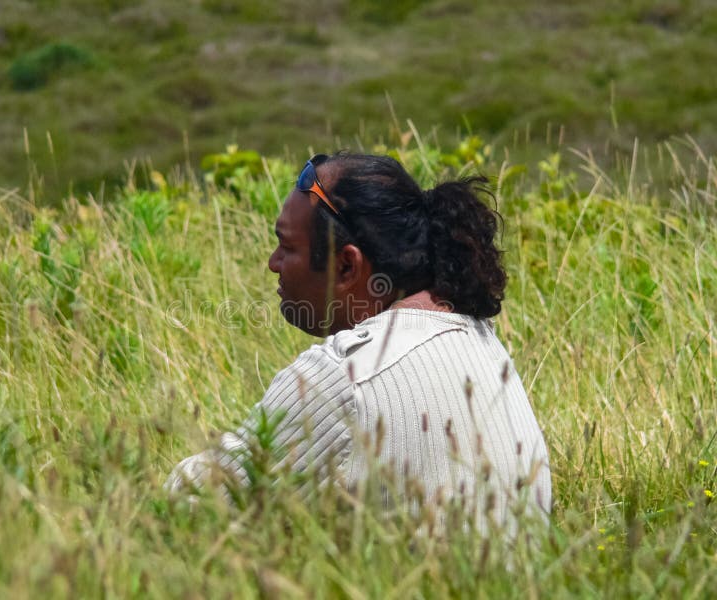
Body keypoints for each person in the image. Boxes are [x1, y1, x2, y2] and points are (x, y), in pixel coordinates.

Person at [166, 152, 551, 529]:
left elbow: (188, 504)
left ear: (347, 266)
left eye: (287, 246)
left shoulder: (342, 378)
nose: (273, 262)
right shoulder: (484, 343)